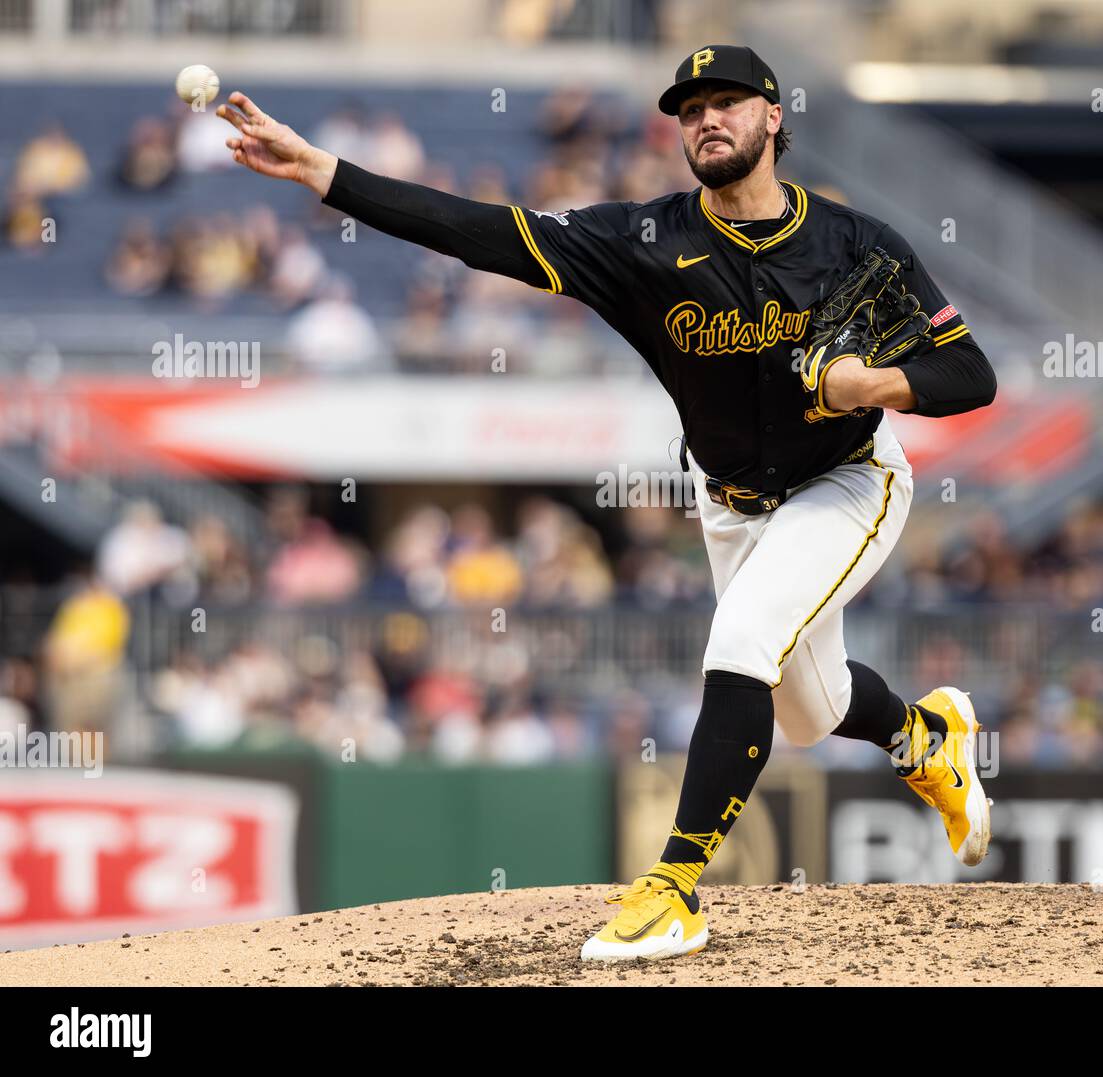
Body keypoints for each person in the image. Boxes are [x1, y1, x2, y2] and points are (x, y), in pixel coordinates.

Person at [215, 43, 998, 963]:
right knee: (808, 712)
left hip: (850, 479)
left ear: (775, 118)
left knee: (742, 645)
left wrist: (872, 383)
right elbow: (486, 231)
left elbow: (969, 374)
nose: (706, 118)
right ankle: (928, 737)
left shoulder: (853, 245)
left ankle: (670, 889)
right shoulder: (645, 242)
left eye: (728, 101)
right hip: (733, 505)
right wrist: (326, 174)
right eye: (689, 107)